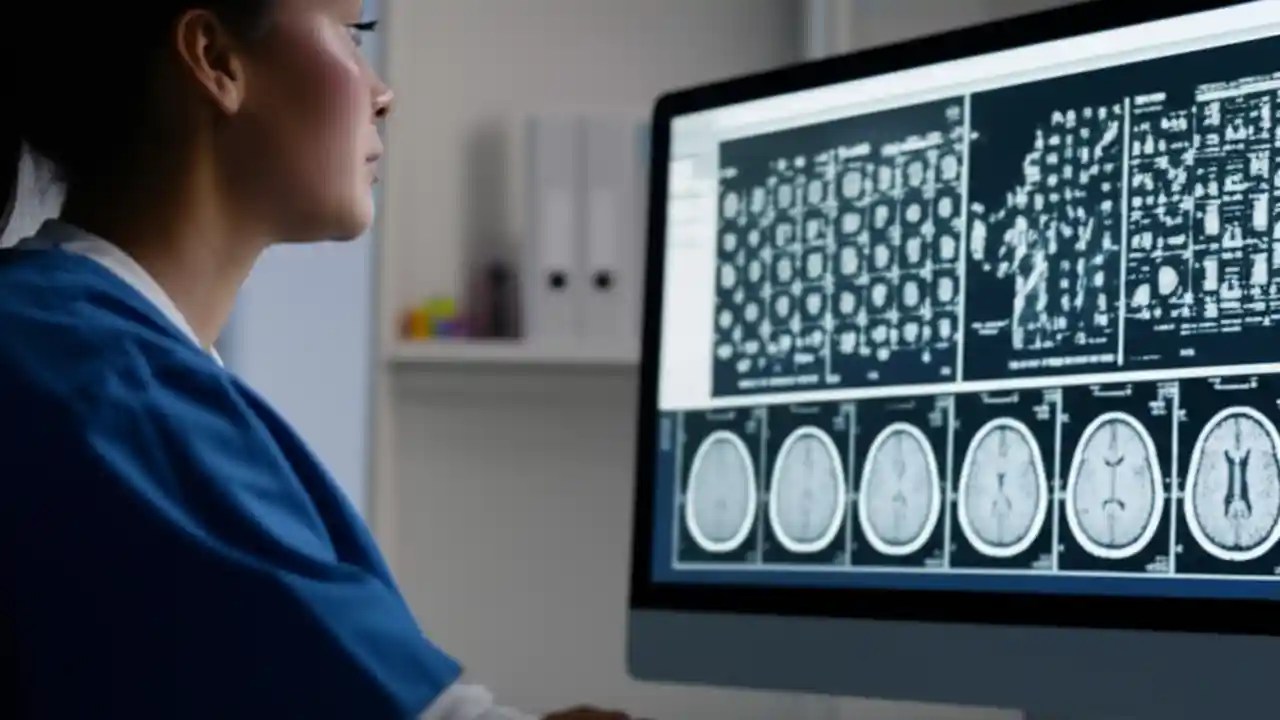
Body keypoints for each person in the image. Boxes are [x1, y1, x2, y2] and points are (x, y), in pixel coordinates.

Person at [0, 2, 636, 719]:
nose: (382, 90)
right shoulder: (102, 382)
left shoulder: (73, 347)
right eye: (351, 33)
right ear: (215, 60)